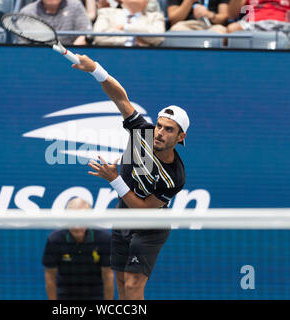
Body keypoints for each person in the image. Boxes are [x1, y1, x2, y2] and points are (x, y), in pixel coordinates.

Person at [72, 56, 189, 300]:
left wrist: (114, 179)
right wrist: (96, 69)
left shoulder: (174, 176)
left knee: (135, 284)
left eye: (169, 130)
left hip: (151, 228)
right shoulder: (142, 135)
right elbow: (120, 97)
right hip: (123, 215)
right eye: (159, 126)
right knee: (123, 282)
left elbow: (144, 209)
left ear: (180, 137)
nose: (160, 133)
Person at [42, 197, 114, 300]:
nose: (76, 224)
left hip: (96, 295)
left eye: (80, 218)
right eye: (72, 218)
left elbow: (108, 275)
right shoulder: (55, 240)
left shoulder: (103, 239)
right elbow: (50, 275)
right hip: (65, 295)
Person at [93, 0, 165, 46]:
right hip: (112, 56)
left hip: (144, 58)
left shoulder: (155, 16)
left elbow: (158, 37)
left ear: (147, 2)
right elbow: (99, 37)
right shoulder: (107, 13)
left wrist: (125, 27)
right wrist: (130, 38)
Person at [19, 0, 92, 45]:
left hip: (71, 58)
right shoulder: (27, 12)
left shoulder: (76, 6)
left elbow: (85, 34)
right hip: (38, 58)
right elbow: (23, 43)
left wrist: (69, 54)